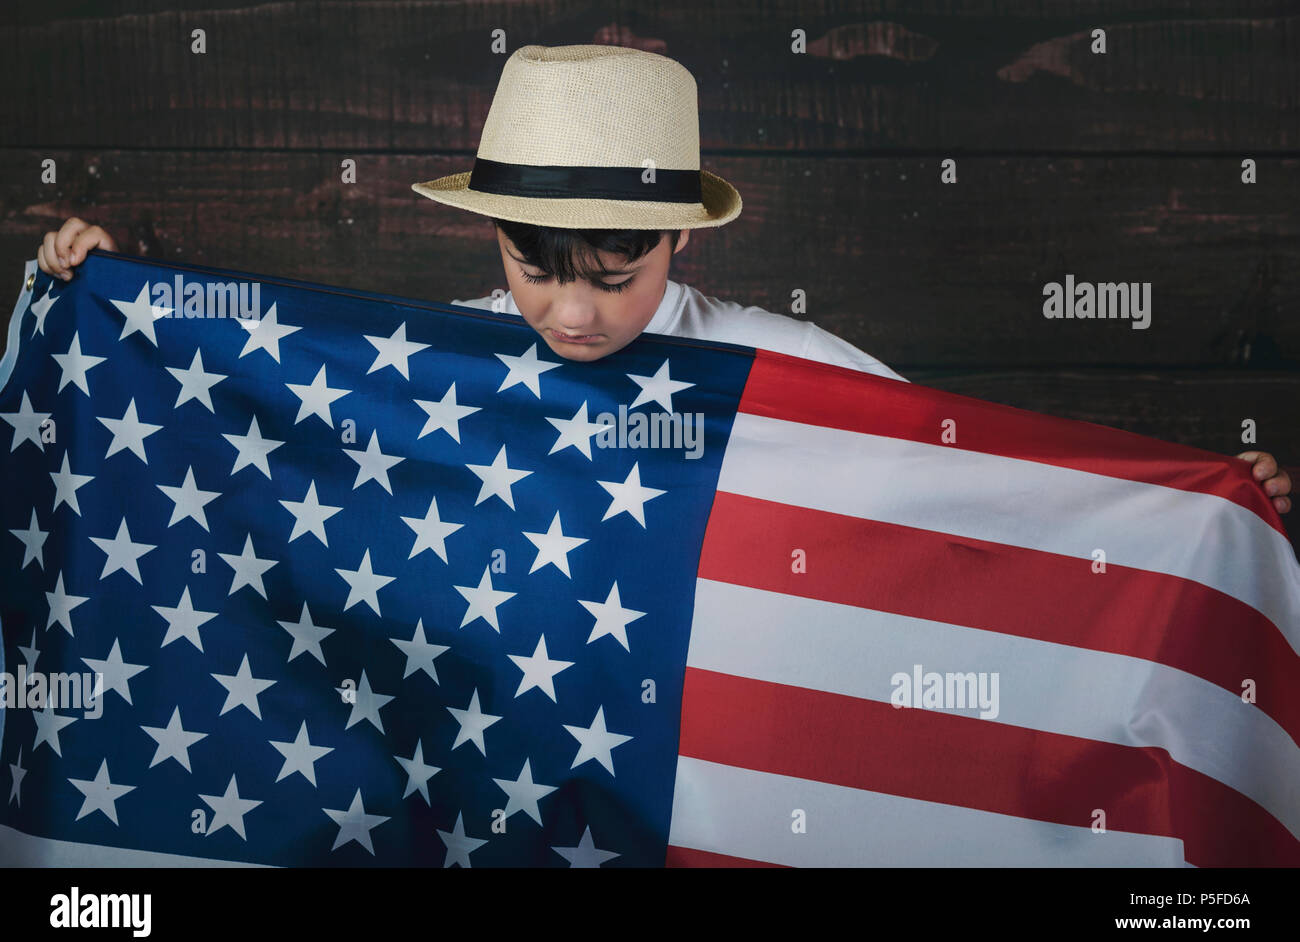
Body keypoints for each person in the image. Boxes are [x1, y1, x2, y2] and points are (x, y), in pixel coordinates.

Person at [33, 42, 1292, 515]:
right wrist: (111, 299)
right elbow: (257, 394)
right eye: (536, 267)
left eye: (615, 272)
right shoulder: (432, 359)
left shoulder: (779, 364)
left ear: (684, 241)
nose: (573, 312)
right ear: (491, 239)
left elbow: (962, 463)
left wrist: (1192, 504)